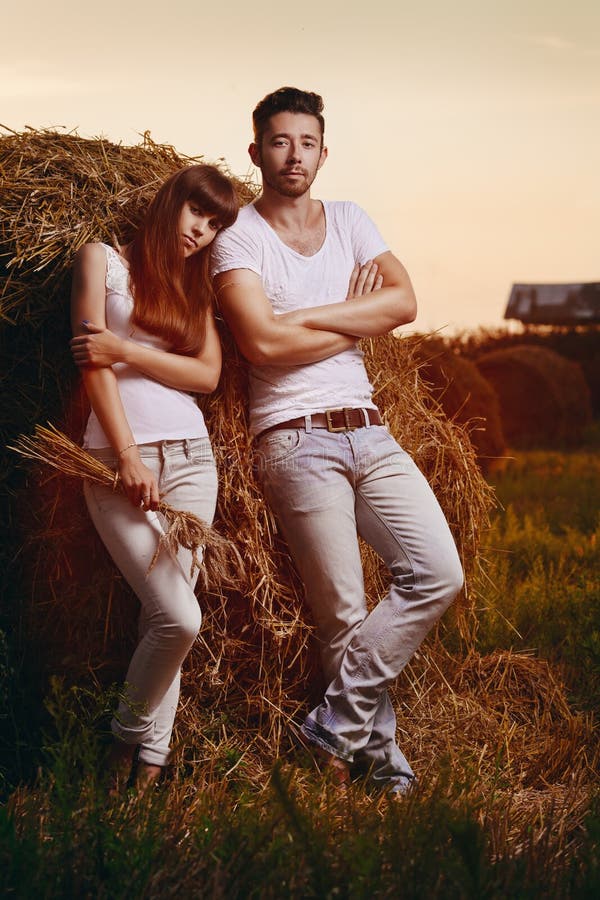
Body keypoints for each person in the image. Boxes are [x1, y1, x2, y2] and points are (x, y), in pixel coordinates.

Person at [211, 87, 464, 794]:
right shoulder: (238, 238)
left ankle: (329, 729)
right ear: (256, 150)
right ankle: (384, 770)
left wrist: (306, 319)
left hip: (370, 430)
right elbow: (261, 344)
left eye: (309, 143)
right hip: (294, 441)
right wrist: (355, 314)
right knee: (344, 616)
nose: (296, 155)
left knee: (438, 573)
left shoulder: (351, 220)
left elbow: (405, 304)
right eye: (282, 142)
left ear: (325, 151)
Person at [70, 164, 239, 792]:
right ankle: (127, 743)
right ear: (172, 203)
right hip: (115, 464)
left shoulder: (194, 289)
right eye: (198, 211)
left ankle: (145, 768)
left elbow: (207, 378)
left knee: (166, 617)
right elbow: (93, 364)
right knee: (179, 617)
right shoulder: (101, 261)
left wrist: (129, 350)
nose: (202, 230)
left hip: (195, 460)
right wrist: (130, 458)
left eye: (215, 223)